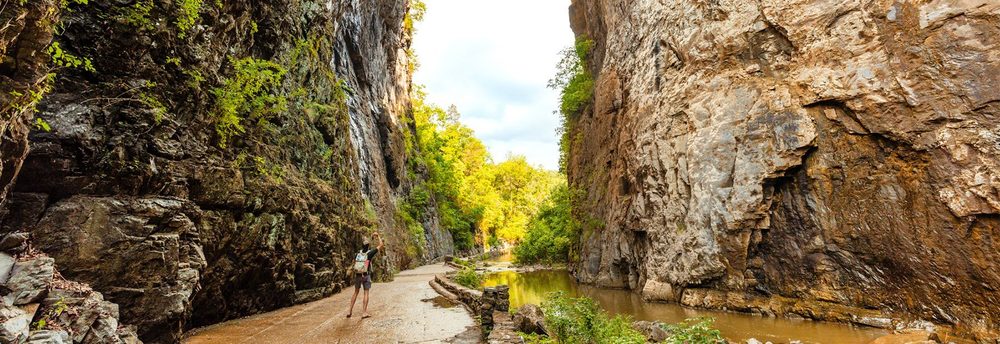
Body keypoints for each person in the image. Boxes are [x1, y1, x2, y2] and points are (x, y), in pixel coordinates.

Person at [347, 232, 383, 319]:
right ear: (368, 246)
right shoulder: (370, 253)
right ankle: (364, 312)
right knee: (366, 293)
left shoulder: (358, 254)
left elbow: (354, 264)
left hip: (358, 275)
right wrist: (378, 236)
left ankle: (349, 311)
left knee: (355, 292)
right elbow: (381, 245)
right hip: (366, 275)